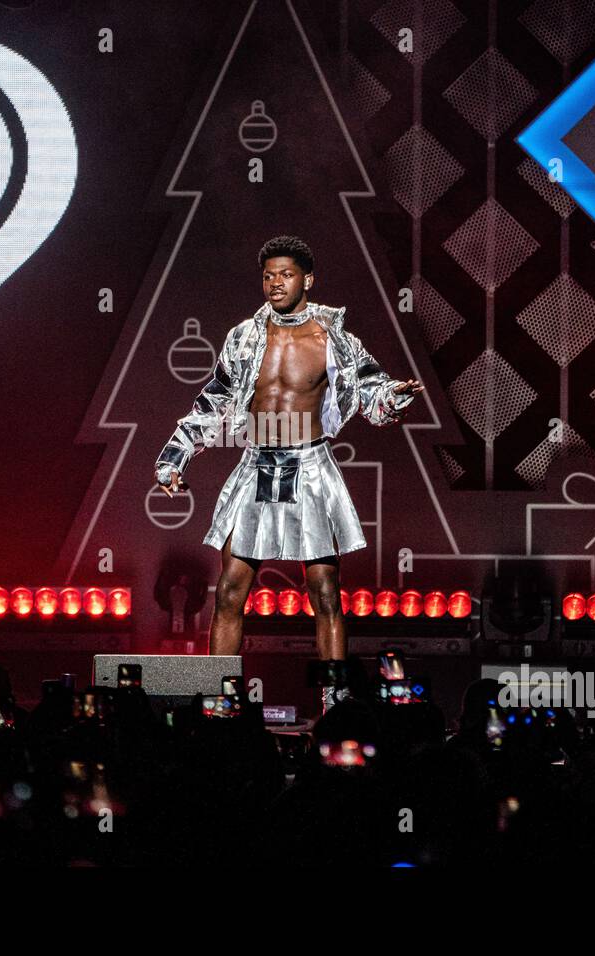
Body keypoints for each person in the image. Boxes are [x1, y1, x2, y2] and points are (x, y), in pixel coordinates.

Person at [154, 236, 423, 712]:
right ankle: (222, 704)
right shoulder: (244, 336)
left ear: (307, 279)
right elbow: (213, 400)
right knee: (232, 588)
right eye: (268, 275)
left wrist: (394, 395)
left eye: (285, 275)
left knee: (324, 591)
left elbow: (371, 390)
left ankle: (334, 706)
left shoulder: (332, 336)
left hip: (310, 466)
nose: (275, 284)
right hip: (257, 464)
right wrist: (174, 458)